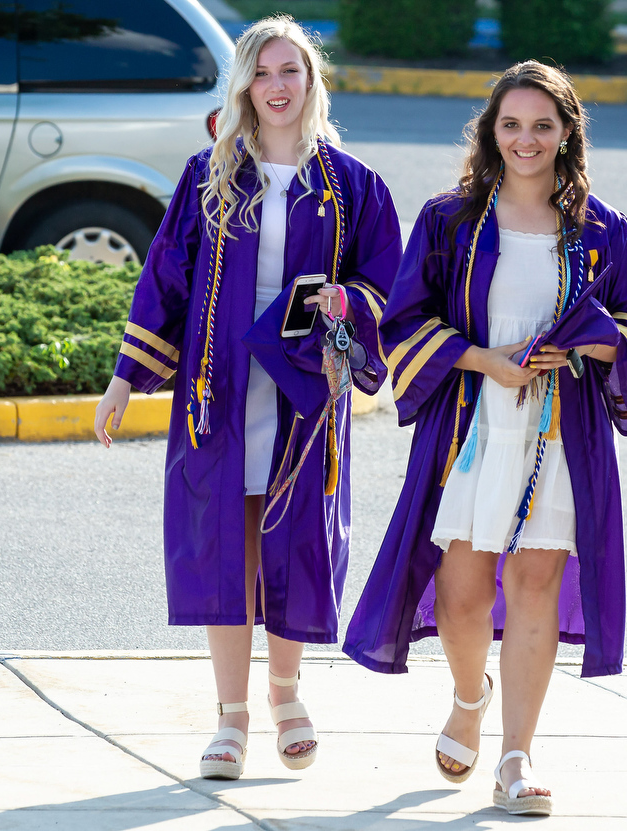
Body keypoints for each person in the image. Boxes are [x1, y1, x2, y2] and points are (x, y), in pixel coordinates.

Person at [343, 61, 627, 816]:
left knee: (535, 585)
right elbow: (403, 322)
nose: (527, 139)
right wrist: (486, 360)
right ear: (491, 131)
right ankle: (470, 696)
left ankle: (517, 757)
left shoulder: (604, 231)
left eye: (543, 126)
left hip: (560, 432)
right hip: (474, 427)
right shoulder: (450, 221)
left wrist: (590, 345)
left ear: (567, 135)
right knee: (461, 594)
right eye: (512, 124)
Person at [93, 16, 401, 780]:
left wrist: (347, 303)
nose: (276, 85)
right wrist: (124, 376)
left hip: (303, 390)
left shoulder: (352, 185)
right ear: (243, 86)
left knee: (293, 537)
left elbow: (385, 284)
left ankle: (287, 694)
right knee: (225, 543)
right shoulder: (209, 176)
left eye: (290, 70)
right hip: (219, 386)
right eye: (261, 72)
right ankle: (231, 715)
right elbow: (165, 279)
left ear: (311, 80)